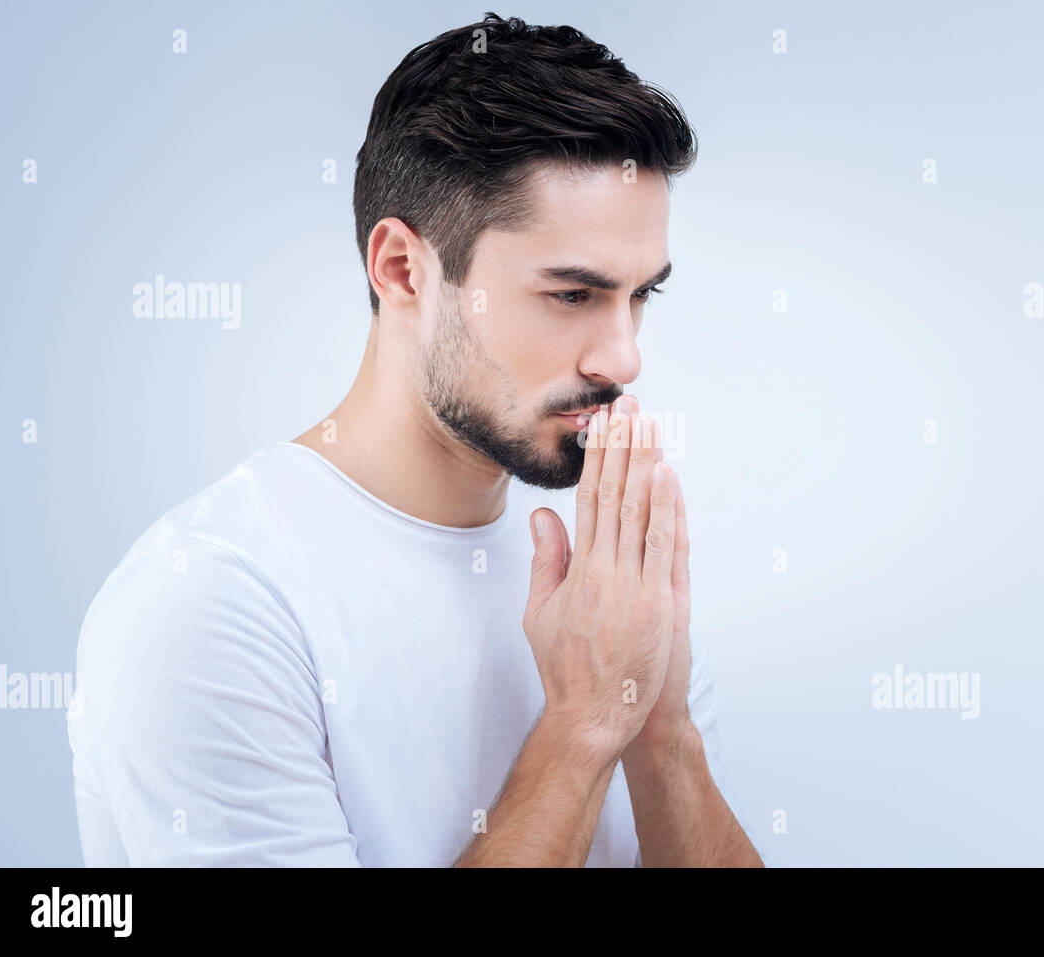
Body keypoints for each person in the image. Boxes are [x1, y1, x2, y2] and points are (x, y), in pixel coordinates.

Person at [68, 12, 762, 867]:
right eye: (573, 295)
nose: (623, 354)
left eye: (640, 295)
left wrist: (660, 733)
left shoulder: (609, 576)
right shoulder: (211, 604)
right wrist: (584, 725)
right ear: (402, 268)